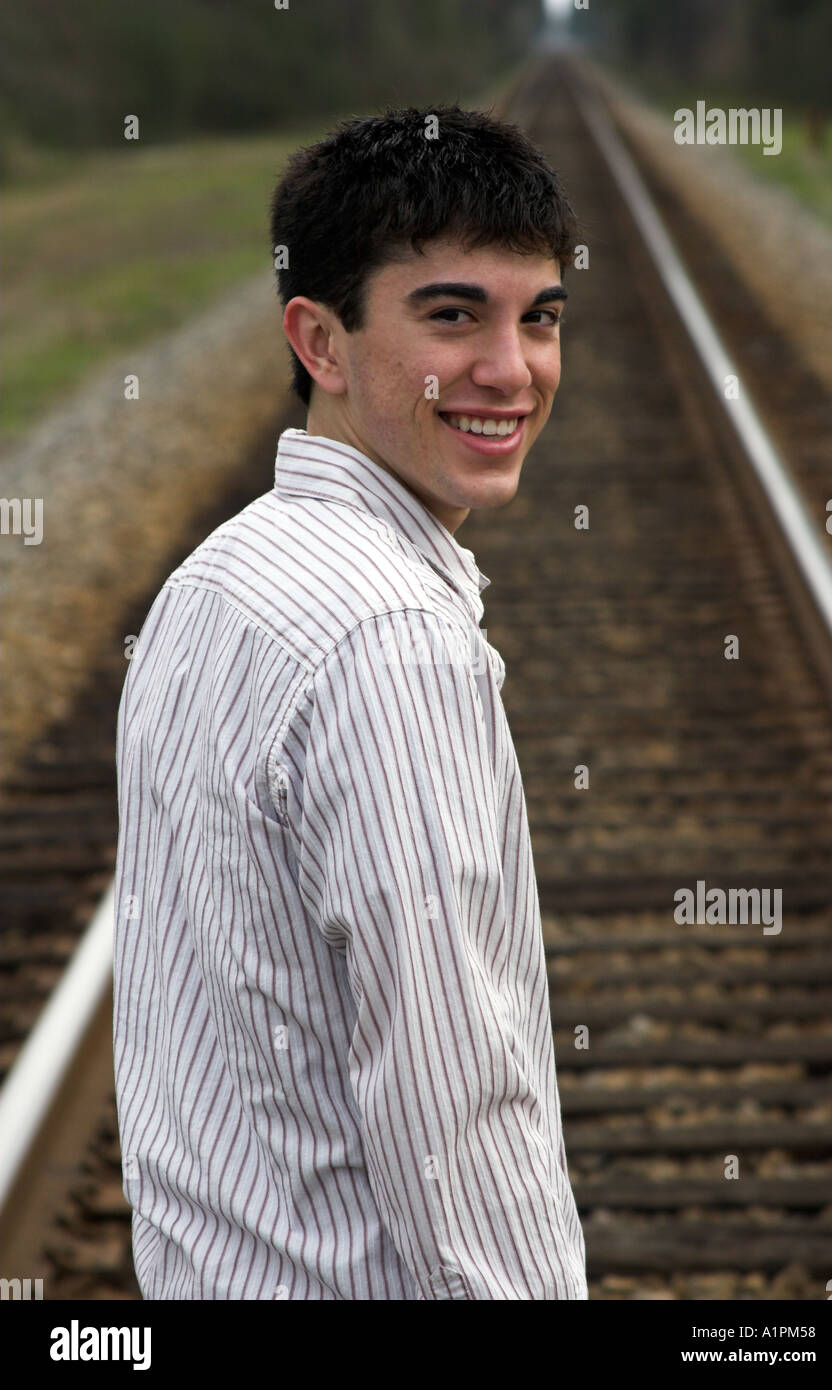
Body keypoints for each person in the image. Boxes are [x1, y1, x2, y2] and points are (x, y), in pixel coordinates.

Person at [113, 103, 587, 1300]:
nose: (509, 369)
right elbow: (453, 1118)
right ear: (318, 343)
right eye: (450, 315)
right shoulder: (393, 648)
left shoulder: (213, 579)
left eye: (538, 318)